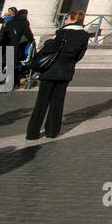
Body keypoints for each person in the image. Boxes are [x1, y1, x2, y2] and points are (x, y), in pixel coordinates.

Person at [25, 9, 91, 140]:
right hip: (66, 70)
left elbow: (50, 49)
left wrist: (49, 41)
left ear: (72, 19)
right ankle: (52, 131)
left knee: (42, 102)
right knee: (58, 101)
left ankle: (33, 132)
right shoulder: (84, 36)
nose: (65, 21)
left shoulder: (62, 32)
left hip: (51, 70)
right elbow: (80, 55)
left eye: (67, 18)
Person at [0, 7, 34, 91]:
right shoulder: (23, 22)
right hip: (13, 44)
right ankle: (10, 84)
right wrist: (32, 40)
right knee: (11, 65)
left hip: (4, 43)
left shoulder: (10, 21)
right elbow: (28, 33)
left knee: (2, 64)